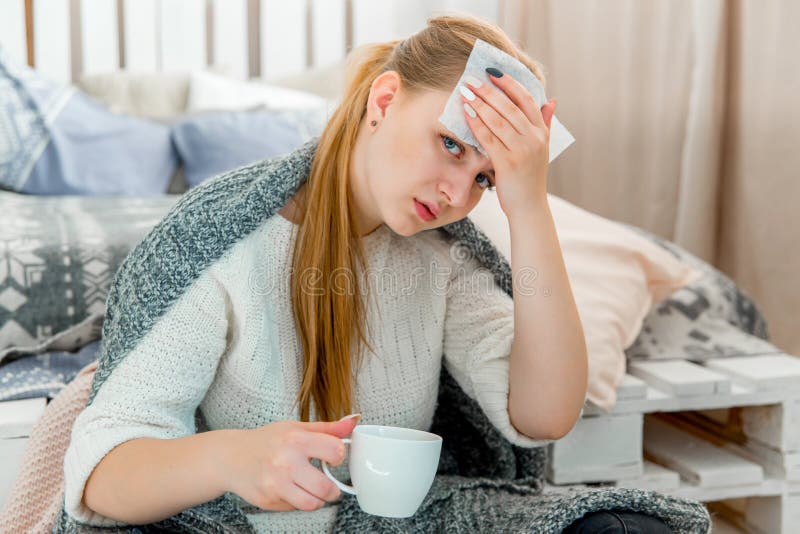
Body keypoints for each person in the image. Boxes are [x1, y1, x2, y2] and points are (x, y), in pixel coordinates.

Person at [62, 14, 675, 533]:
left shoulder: (445, 256)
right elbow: (100, 477)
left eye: (486, 178)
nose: (458, 191)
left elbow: (543, 416)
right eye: (452, 144)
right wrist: (229, 458)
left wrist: (530, 207)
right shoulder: (224, 240)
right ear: (384, 102)